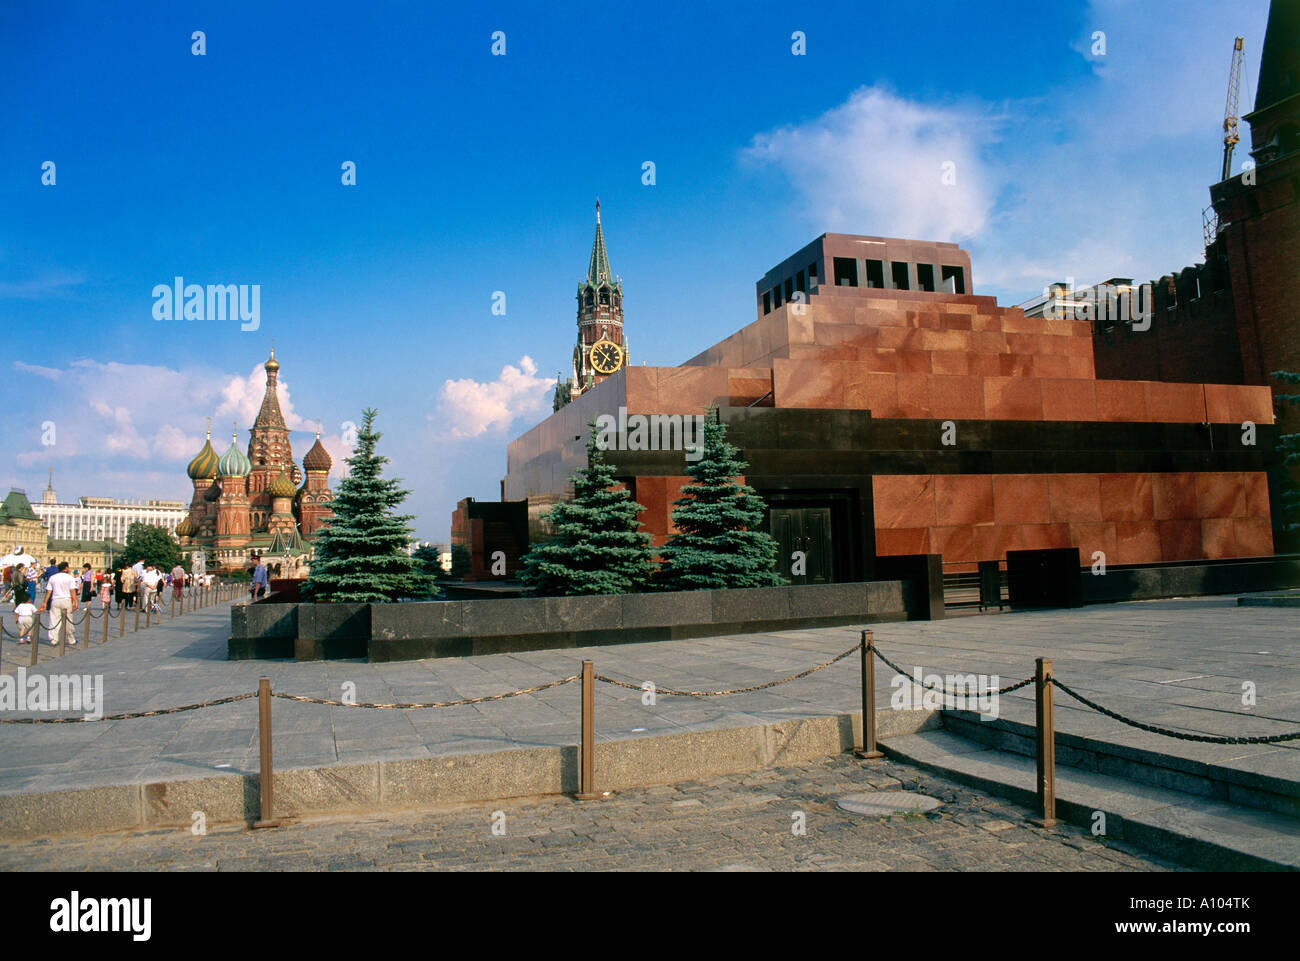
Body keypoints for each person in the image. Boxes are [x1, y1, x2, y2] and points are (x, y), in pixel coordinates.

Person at [43, 561, 78, 646]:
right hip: (66, 600)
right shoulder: (70, 578)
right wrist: (75, 601)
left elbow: (48, 592)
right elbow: (72, 591)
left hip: (55, 600)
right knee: (68, 620)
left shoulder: (53, 578)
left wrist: (44, 602)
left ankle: (53, 639)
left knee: (53, 620)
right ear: (66, 568)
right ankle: (71, 639)